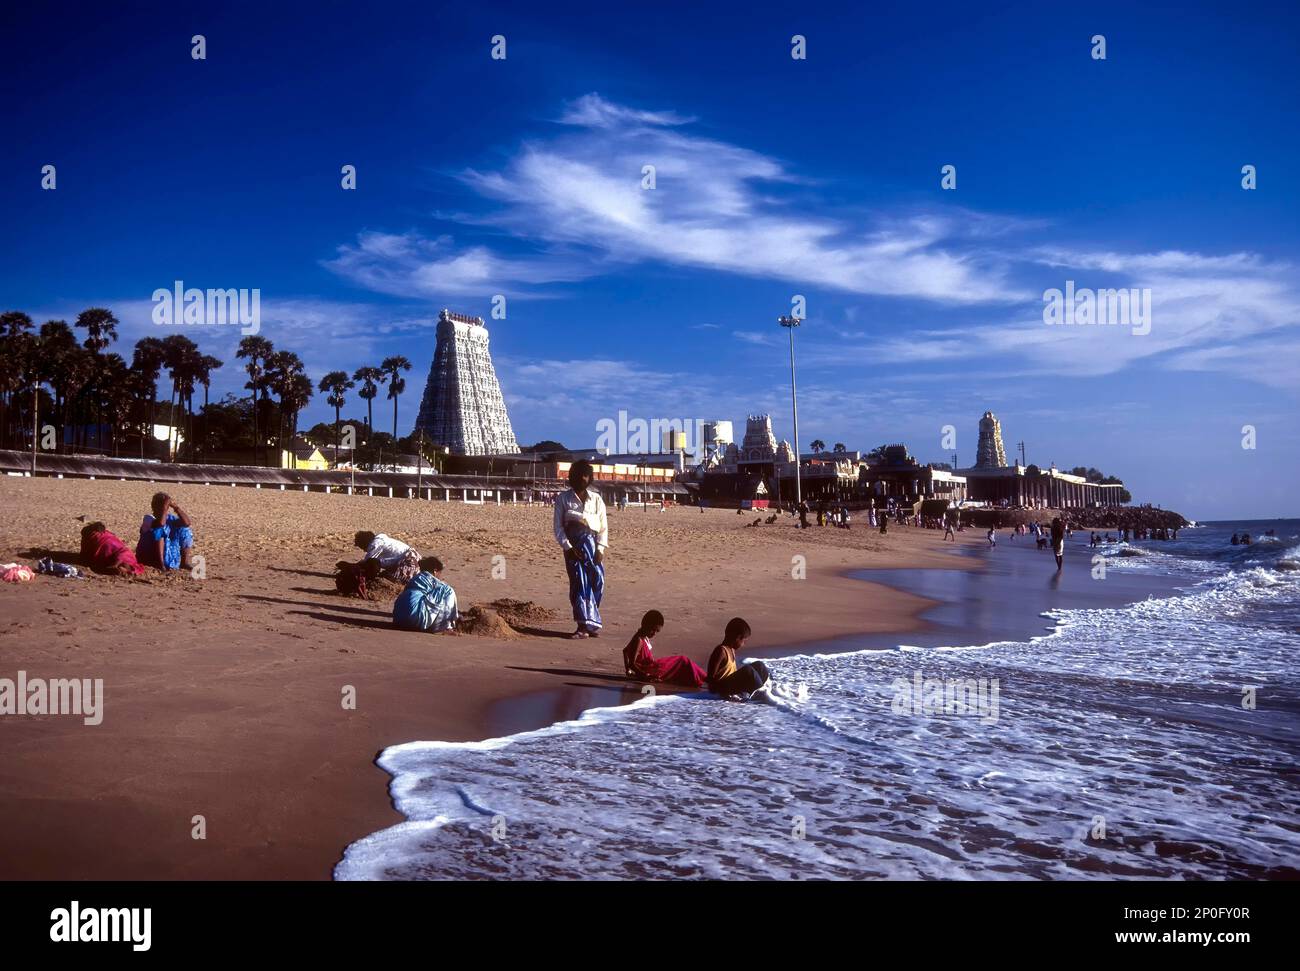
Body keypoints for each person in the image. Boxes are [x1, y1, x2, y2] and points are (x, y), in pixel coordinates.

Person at [554, 460, 608, 638]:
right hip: (573, 549)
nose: (582, 478)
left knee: (597, 581)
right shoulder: (563, 499)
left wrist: (600, 548)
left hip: (593, 549)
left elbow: (603, 527)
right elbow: (558, 528)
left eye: (585, 475)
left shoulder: (597, 499)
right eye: (578, 475)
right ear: (572, 477)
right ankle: (582, 626)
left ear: (590, 478)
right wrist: (568, 548)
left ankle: (591, 621)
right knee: (579, 584)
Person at [622, 610, 706, 688]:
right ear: (645, 625)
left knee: (682, 662)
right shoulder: (639, 640)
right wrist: (645, 676)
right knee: (683, 660)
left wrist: (628, 671)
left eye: (656, 631)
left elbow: (625, 651)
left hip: (651, 668)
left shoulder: (641, 636)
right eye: (653, 630)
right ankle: (706, 678)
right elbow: (632, 664)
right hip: (651, 670)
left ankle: (703, 677)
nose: (654, 633)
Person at [707, 617, 770, 700]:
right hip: (721, 688)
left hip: (730, 685)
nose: (744, 644)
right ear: (737, 638)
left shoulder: (731, 649)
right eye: (744, 641)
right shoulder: (721, 651)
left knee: (759, 665)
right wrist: (717, 692)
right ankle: (762, 698)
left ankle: (762, 691)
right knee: (748, 671)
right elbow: (711, 676)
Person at [392, 556, 459, 633]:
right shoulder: (431, 579)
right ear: (435, 571)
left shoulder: (415, 579)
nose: (440, 576)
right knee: (447, 590)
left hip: (398, 620)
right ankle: (446, 627)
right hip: (415, 619)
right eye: (439, 573)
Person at [135, 492, 196, 572]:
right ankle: (161, 564)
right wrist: (164, 508)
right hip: (150, 555)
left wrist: (176, 507)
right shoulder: (149, 518)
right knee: (159, 531)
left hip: (168, 554)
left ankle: (184, 562)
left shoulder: (170, 518)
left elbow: (186, 523)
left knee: (185, 530)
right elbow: (160, 524)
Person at [80, 521, 144, 576]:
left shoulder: (90, 536)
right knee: (123, 557)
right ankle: (118, 566)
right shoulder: (107, 534)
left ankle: (117, 566)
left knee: (122, 557)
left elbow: (84, 553)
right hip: (123, 553)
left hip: (113, 555)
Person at [355, 530, 421, 583]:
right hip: (410, 559)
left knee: (385, 580)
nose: (363, 550)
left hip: (408, 562)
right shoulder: (382, 540)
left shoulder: (376, 544)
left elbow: (368, 561)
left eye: (361, 547)